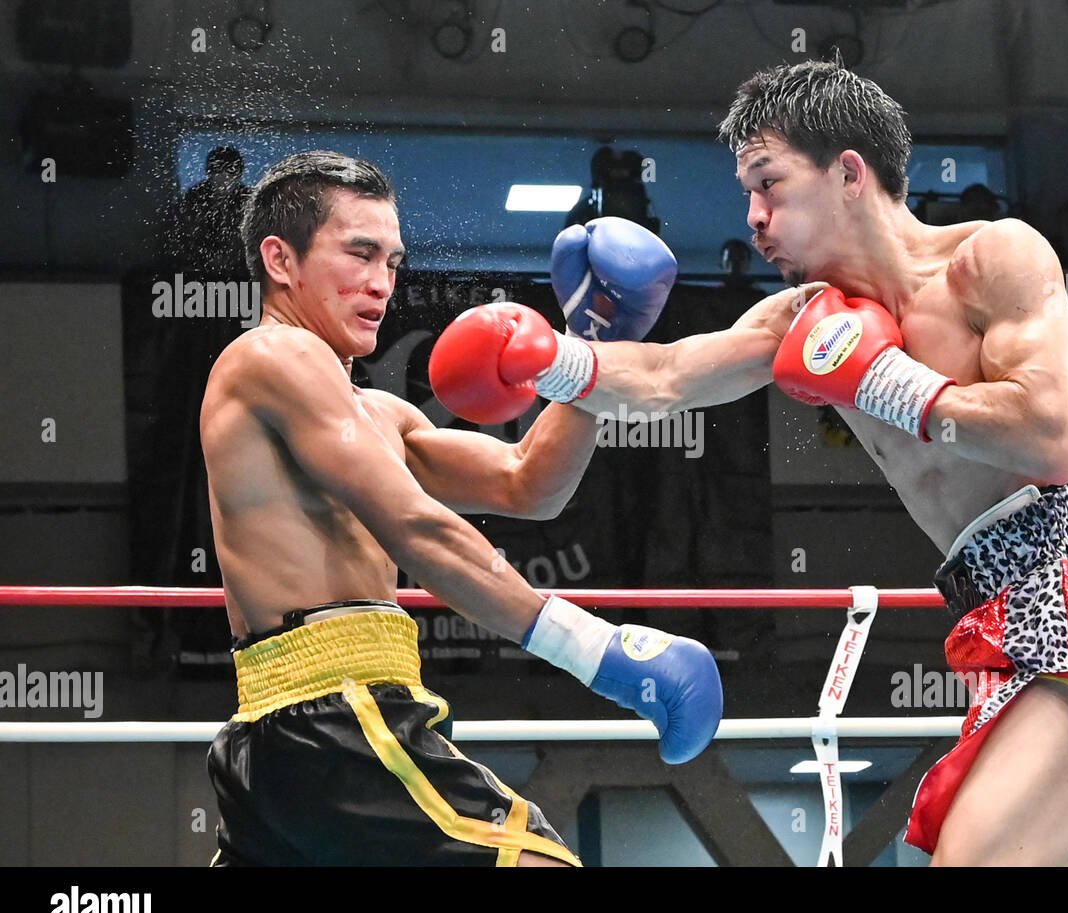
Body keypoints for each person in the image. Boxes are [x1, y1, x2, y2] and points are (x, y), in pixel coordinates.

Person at [434, 61, 1068, 866]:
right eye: (747, 194)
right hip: (998, 619)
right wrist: (550, 360)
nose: (753, 217)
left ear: (850, 173)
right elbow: (665, 379)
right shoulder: (800, 315)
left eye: (770, 184)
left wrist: (885, 380)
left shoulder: (991, 257)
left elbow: (1047, 430)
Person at [200, 150, 721, 866]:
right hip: (335, 715)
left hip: (297, 732)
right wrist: (598, 652)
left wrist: (593, 352)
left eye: (392, 261)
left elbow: (528, 482)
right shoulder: (272, 356)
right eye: (359, 254)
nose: (382, 283)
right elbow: (414, 526)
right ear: (280, 260)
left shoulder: (378, 413)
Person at [180, 146, 252, 275]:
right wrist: (206, 258)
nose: (223, 178)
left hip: (239, 269)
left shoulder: (248, 200)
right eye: (218, 171)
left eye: (229, 171)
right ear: (209, 173)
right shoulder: (195, 198)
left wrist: (231, 257)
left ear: (239, 174)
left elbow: (251, 238)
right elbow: (186, 235)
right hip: (198, 267)